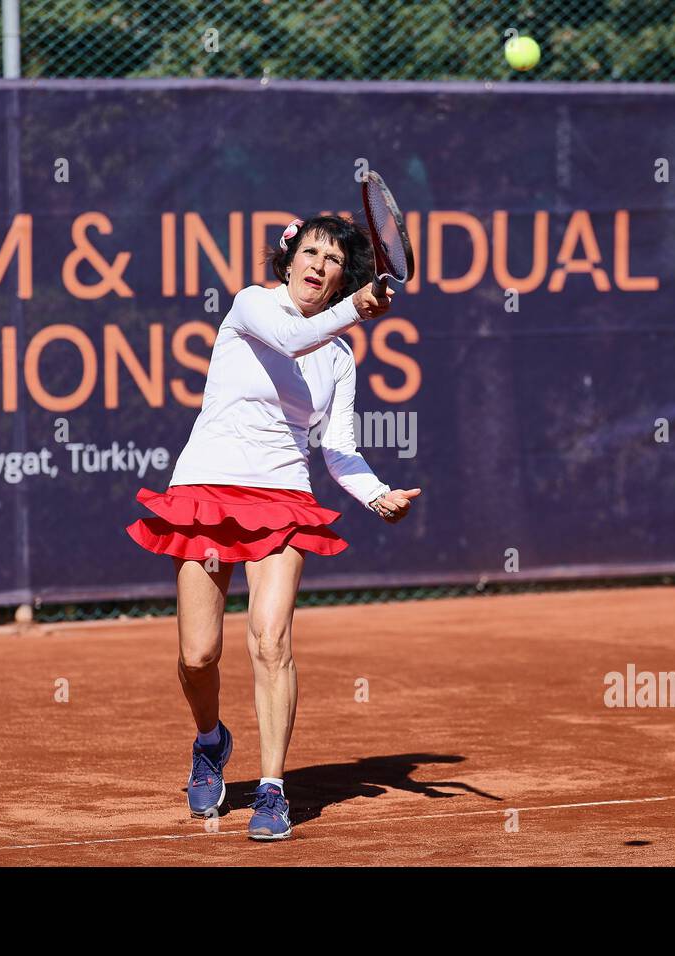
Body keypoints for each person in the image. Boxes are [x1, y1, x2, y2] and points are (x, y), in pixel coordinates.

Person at [125, 214, 421, 840]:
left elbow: (338, 448)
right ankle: (210, 739)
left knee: (271, 640)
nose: (319, 265)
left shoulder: (339, 357)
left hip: (283, 498)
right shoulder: (252, 306)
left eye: (333, 260)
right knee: (198, 655)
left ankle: (271, 789)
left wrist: (377, 495)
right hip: (206, 490)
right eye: (310, 252)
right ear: (288, 262)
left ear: (342, 276)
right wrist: (356, 310)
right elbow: (289, 339)